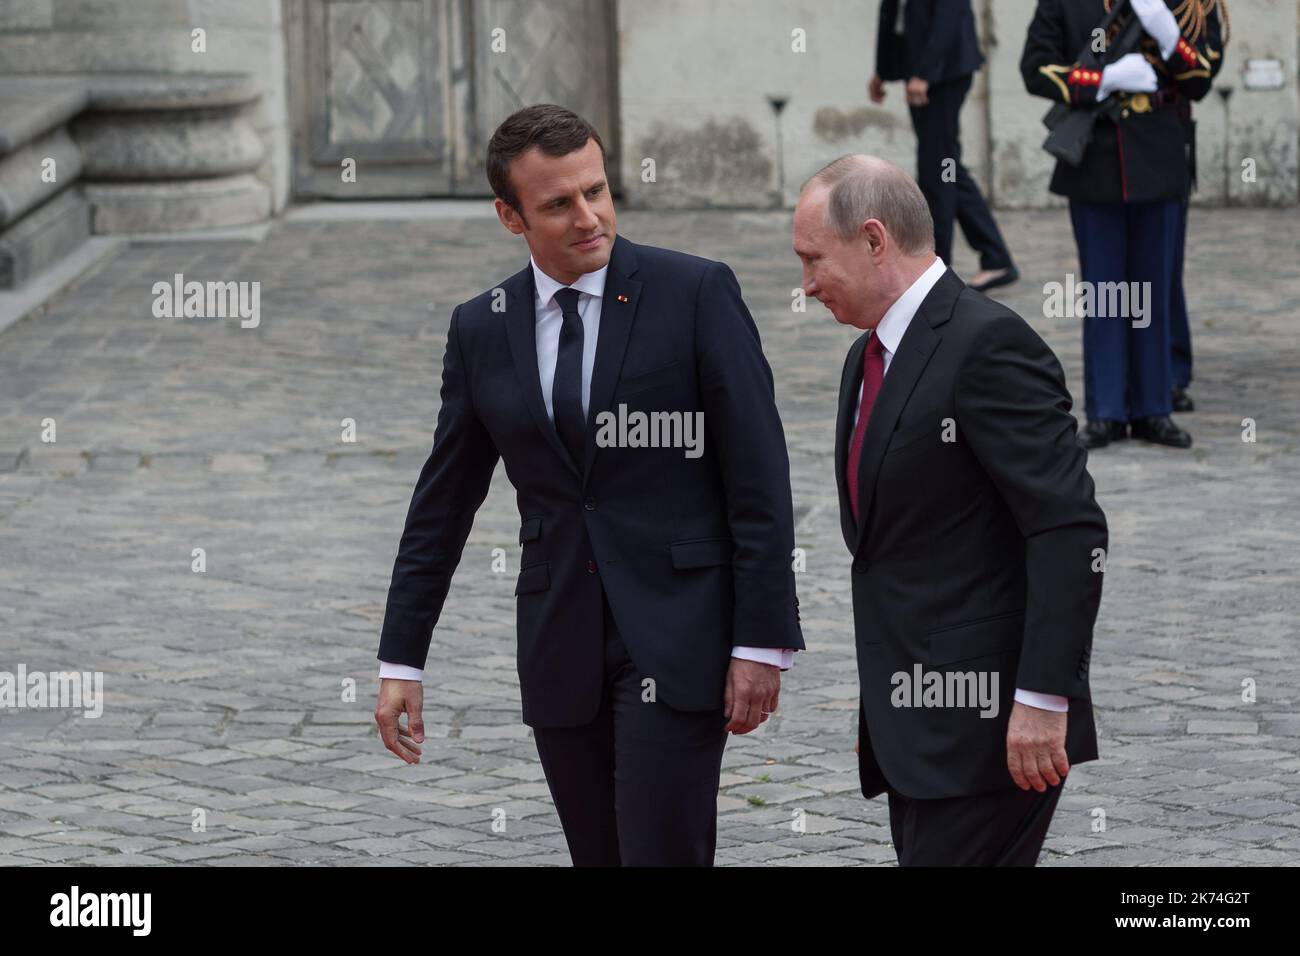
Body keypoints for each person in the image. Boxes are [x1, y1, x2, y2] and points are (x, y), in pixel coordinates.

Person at [373, 104, 803, 866]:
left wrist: (762, 640)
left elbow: (758, 475)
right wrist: (401, 661)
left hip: (679, 635)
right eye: (558, 204)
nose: (588, 217)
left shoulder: (696, 293)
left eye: (597, 191)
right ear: (510, 216)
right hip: (560, 640)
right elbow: (441, 505)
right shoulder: (482, 327)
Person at [793, 155, 1107, 865]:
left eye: (814, 259)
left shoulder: (988, 345)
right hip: (921, 730)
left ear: (874, 240)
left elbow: (1069, 530)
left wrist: (1042, 699)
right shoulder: (868, 354)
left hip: (993, 731)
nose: (806, 285)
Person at [1021, 0, 1223, 449]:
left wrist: (1169, 35)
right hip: (1096, 158)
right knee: (1105, 293)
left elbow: (1202, 79)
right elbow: (1035, 68)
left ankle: (1154, 409)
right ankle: (1106, 411)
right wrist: (1105, 79)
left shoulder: (1179, 4)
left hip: (1159, 153)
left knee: (1153, 289)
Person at [871, 0, 1018, 292]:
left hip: (944, 74)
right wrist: (883, 71)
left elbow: (948, 17)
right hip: (919, 69)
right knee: (946, 166)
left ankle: (937, 268)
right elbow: (894, 12)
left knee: (937, 170)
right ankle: (995, 257)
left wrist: (925, 74)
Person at [1169, 0, 1230, 413]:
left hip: (1165, 140)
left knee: (1165, 268)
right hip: (1106, 145)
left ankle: (1170, 372)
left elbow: (1204, 76)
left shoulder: (1195, 4)